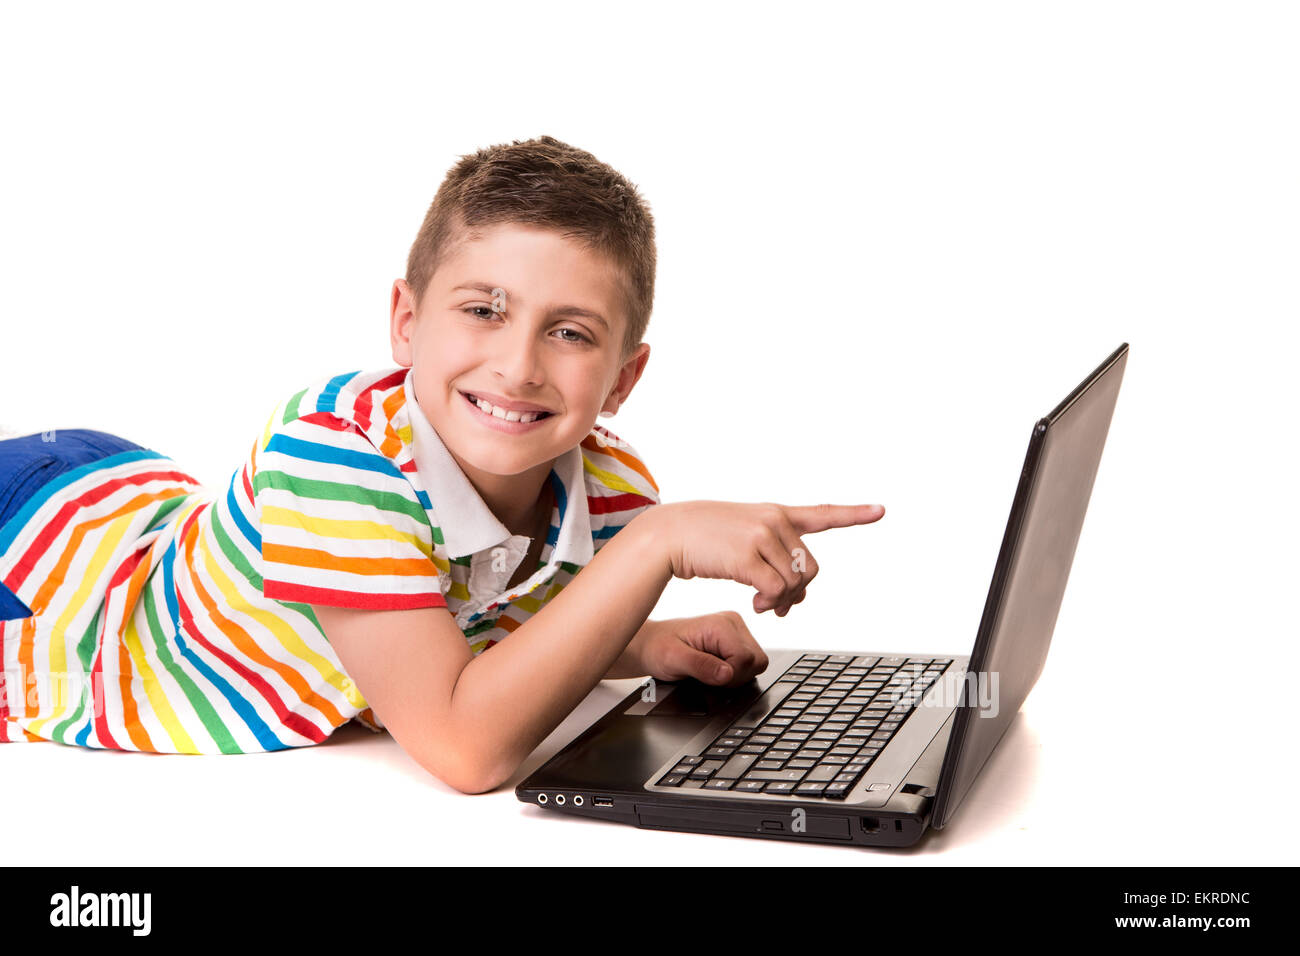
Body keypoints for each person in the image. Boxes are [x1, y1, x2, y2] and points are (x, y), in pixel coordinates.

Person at [0, 135, 885, 791]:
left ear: (623, 378)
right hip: (50, 561)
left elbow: (481, 632)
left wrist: (645, 642)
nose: (519, 367)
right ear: (406, 322)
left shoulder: (614, 490)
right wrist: (658, 547)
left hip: (134, 502)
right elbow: (466, 747)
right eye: (484, 310)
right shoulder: (333, 458)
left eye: (570, 332)